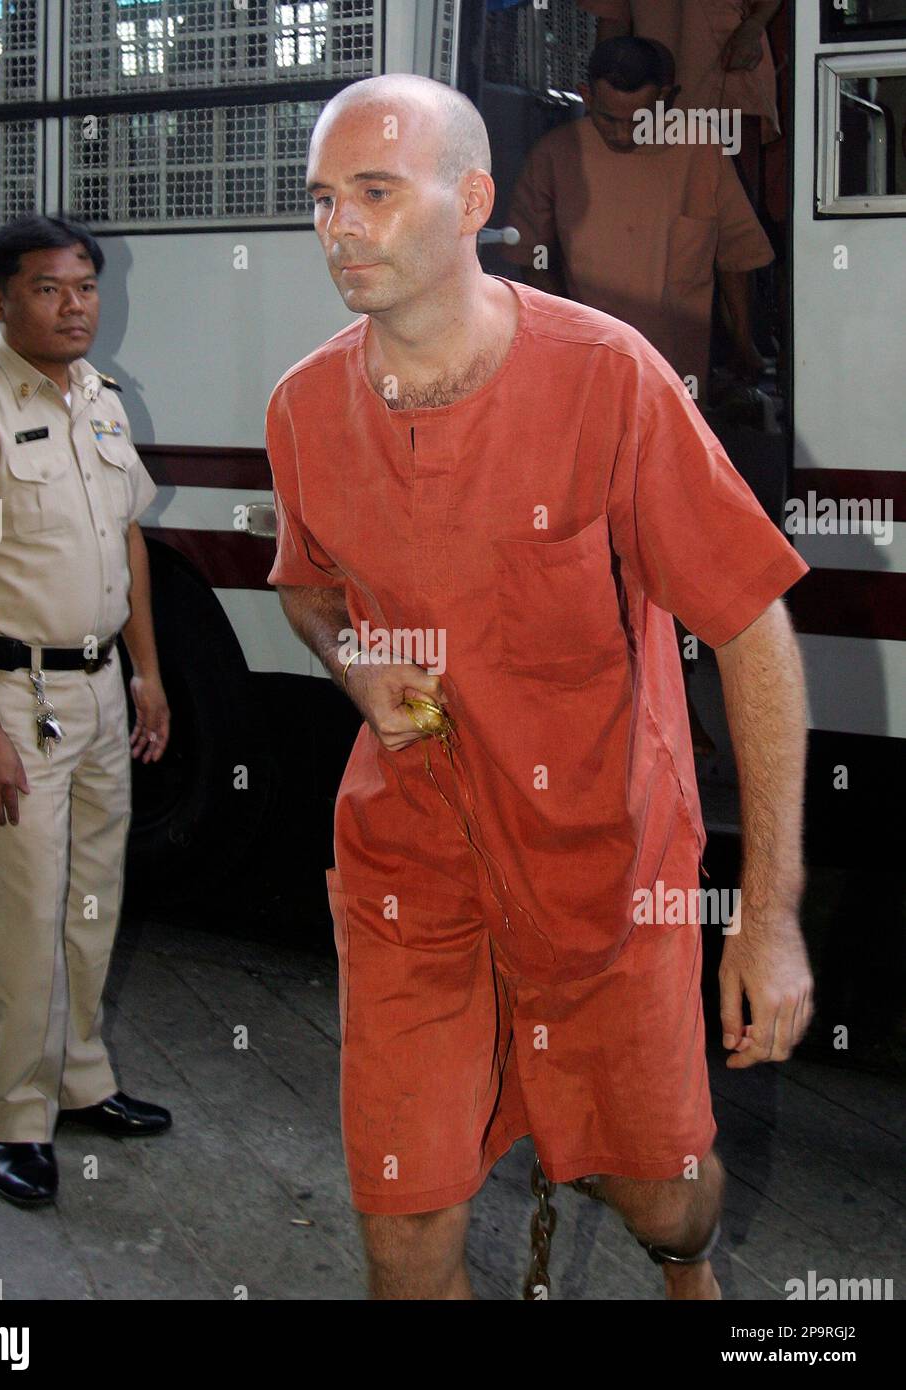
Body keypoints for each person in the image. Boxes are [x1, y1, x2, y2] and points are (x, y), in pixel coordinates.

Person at [266, 73, 813, 1300]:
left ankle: (686, 1265)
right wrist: (351, 659)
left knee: (660, 1191)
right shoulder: (303, 407)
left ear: (471, 202)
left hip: (605, 875)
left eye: (370, 192)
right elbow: (304, 585)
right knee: (404, 1239)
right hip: (413, 871)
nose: (334, 227)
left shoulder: (605, 378)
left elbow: (751, 627)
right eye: (318, 199)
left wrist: (765, 915)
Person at [0, 214, 173, 1207]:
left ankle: (80, 1077)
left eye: (85, 287)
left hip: (100, 691)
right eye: (49, 289)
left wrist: (146, 673)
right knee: (20, 913)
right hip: (13, 698)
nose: (74, 306)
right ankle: (15, 1113)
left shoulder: (101, 397)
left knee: (92, 897)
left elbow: (129, 543)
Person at [502, 37, 774, 398]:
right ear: (588, 96)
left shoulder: (702, 150)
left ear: (664, 98)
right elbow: (532, 266)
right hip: (590, 368)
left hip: (677, 374)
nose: (621, 134)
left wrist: (744, 347)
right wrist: (573, 344)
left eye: (637, 120)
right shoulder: (553, 155)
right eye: (608, 119)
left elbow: (736, 261)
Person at [579, 0, 783, 200]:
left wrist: (754, 26)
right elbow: (613, 20)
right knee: (664, 208)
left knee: (730, 208)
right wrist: (603, 96)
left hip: (729, 80)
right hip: (657, 95)